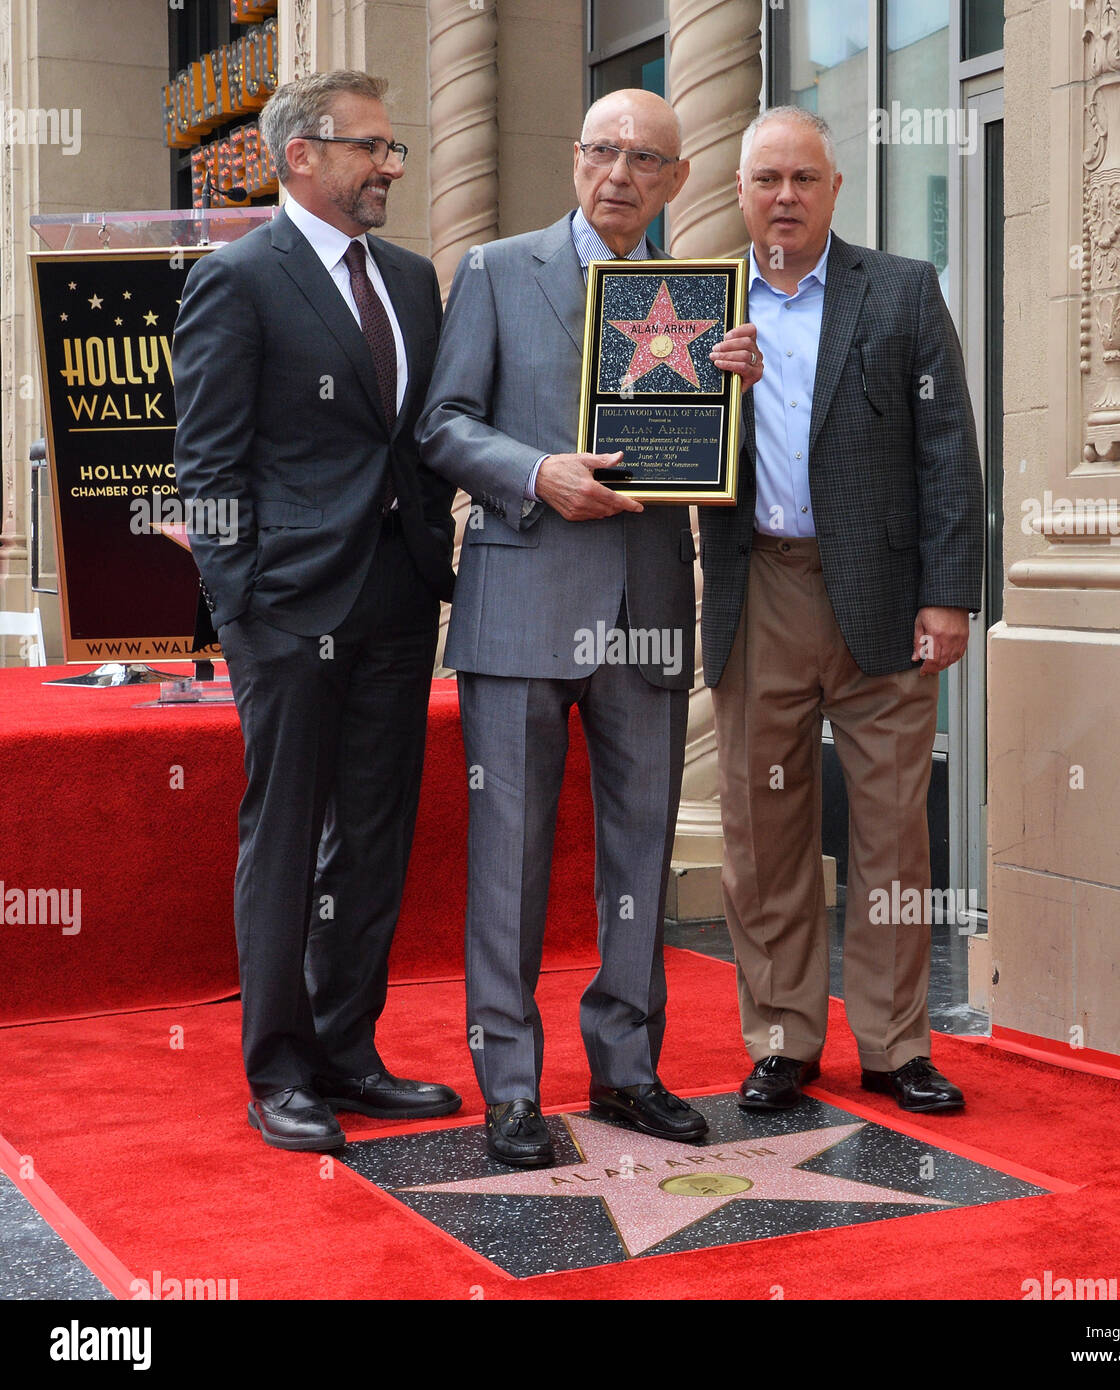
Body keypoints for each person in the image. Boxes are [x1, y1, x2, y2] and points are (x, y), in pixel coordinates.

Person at [419, 88, 762, 1167]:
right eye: (602, 150)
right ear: (575, 159)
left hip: (647, 614)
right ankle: (510, 1088)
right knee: (509, 862)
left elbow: (727, 468)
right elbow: (439, 424)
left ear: (676, 179)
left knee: (638, 854)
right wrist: (534, 472)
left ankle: (625, 1069)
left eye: (644, 158)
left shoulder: (700, 303)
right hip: (519, 600)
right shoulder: (492, 269)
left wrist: (737, 393)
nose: (619, 172)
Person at [173, 70, 461, 1151]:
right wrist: (241, 604)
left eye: (392, 149)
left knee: (375, 839)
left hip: (395, 596)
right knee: (287, 837)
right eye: (372, 147)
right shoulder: (238, 279)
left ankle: (347, 1052)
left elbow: (418, 434)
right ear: (302, 155)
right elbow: (206, 461)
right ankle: (278, 1069)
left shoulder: (411, 275)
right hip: (287, 610)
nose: (391, 165)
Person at [699, 107, 984, 1115]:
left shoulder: (900, 291)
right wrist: (703, 382)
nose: (784, 195)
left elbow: (947, 451)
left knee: (891, 836)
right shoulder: (693, 306)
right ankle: (780, 1037)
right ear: (737, 191)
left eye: (803, 178)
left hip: (883, 599)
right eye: (765, 178)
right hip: (756, 588)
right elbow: (651, 450)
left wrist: (948, 596)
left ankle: (896, 1043)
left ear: (832, 188)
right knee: (761, 831)